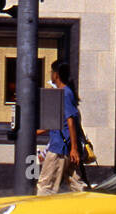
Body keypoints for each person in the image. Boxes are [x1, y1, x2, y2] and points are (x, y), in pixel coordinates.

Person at [36, 62, 85, 195]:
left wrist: (74, 148)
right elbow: (58, 122)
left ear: (56, 74)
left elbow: (70, 121)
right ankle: (88, 207)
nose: (50, 75)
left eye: (51, 72)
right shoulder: (64, 92)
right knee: (75, 184)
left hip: (60, 148)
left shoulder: (64, 93)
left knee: (46, 186)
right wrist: (36, 132)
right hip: (65, 147)